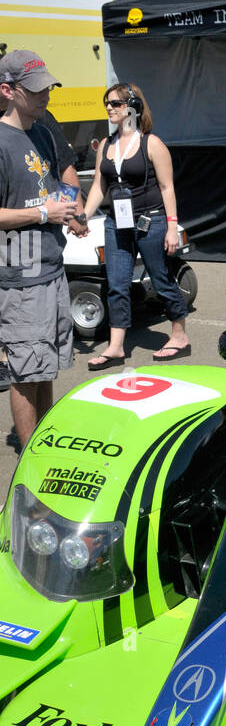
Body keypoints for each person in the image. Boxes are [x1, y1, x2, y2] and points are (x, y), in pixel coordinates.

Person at [0, 50, 82, 445]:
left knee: (46, 366)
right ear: (8, 91)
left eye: (46, 87)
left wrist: (71, 209)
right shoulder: (1, 141)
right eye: (34, 90)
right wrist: (45, 215)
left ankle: (43, 444)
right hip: (20, 276)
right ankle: (30, 463)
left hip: (51, 269)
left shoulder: (43, 132)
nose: (44, 95)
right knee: (25, 371)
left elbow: (53, 184)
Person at [83, 82, 190, 369]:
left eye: (116, 103)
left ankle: (179, 335)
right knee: (116, 285)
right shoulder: (106, 144)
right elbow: (98, 186)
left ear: (133, 107)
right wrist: (83, 215)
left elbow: (167, 187)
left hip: (151, 220)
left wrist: (171, 226)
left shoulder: (151, 143)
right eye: (107, 103)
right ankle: (116, 346)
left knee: (160, 278)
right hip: (115, 222)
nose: (109, 108)